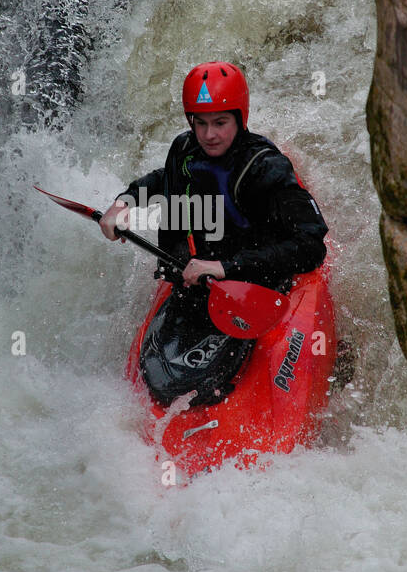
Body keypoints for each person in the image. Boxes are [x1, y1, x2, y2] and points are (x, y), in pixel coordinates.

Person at [99, 62, 329, 407]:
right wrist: (125, 201)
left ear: (240, 117)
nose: (210, 135)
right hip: (197, 290)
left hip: (252, 287)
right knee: (163, 385)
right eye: (200, 123)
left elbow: (311, 247)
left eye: (221, 123)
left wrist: (224, 266)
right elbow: (165, 179)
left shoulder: (265, 168)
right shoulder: (186, 149)